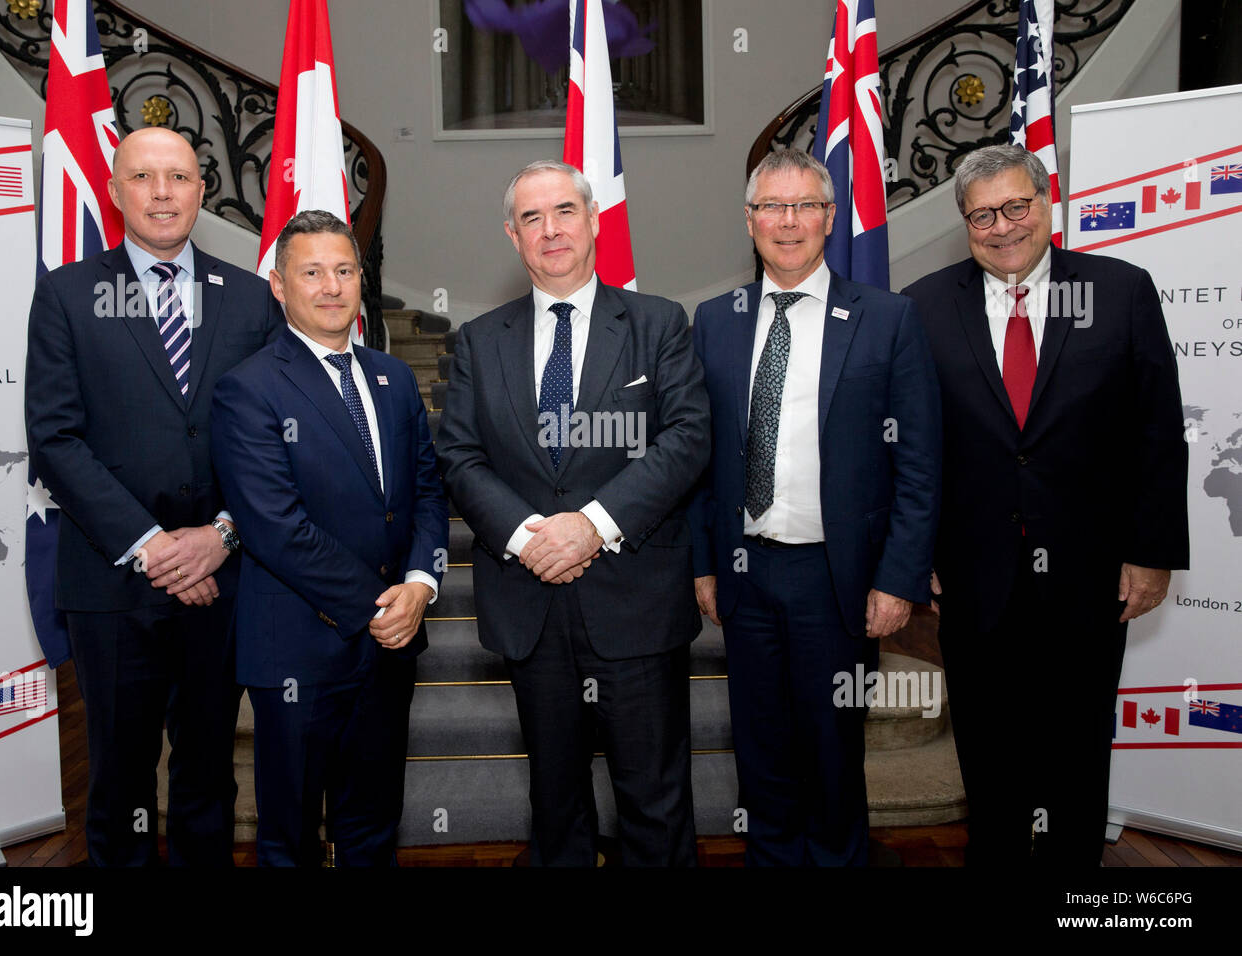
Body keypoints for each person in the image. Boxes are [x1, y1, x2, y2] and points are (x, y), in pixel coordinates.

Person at [901, 144, 1189, 865]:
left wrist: (1152, 554)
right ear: (964, 223)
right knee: (989, 761)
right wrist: (918, 555)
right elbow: (910, 446)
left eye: (1015, 206)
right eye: (981, 216)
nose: (1002, 227)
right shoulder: (925, 305)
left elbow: (1159, 432)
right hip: (974, 580)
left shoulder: (1122, 291)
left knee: (1078, 756)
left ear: (1046, 200)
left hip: (1091, 579)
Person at [435, 160, 711, 866]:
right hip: (531, 601)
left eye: (564, 211)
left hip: (636, 603)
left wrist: (593, 523)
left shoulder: (658, 324)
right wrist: (530, 537)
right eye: (532, 217)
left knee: (654, 796)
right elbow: (460, 457)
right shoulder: (476, 339)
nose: (550, 229)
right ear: (512, 234)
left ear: (593, 221)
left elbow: (686, 439)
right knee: (555, 806)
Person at [25, 127, 281, 865]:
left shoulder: (251, 299)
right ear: (114, 191)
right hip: (111, 585)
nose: (162, 192)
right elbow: (56, 440)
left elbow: (270, 443)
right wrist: (155, 547)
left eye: (178, 177)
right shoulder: (67, 295)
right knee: (119, 783)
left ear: (203, 190)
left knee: (207, 776)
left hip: (225, 584)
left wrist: (222, 536)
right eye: (143, 177)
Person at [688, 147, 941, 866]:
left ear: (831, 218)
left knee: (832, 755)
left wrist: (898, 578)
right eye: (772, 206)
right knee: (761, 751)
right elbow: (702, 458)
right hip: (745, 577)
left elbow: (919, 463)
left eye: (804, 206)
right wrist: (705, 565)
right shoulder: (716, 320)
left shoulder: (887, 318)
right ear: (749, 220)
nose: (788, 221)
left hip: (841, 581)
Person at [210, 210, 448, 866]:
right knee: (289, 838)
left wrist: (421, 585)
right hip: (299, 650)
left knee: (372, 825)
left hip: (390, 648)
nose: (332, 286)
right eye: (311, 272)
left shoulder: (393, 379)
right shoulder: (247, 390)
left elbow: (428, 493)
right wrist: (382, 605)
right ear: (280, 287)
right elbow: (276, 529)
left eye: (344, 270)